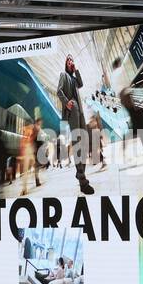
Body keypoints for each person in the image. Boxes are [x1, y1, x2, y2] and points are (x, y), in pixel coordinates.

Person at [57, 54, 94, 195]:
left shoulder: (73, 78)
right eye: (68, 61)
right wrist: (67, 102)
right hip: (73, 110)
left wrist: (76, 69)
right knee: (78, 143)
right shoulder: (63, 75)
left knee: (83, 142)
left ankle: (80, 174)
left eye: (72, 60)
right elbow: (58, 91)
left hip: (81, 111)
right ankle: (83, 181)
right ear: (65, 65)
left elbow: (81, 83)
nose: (71, 62)